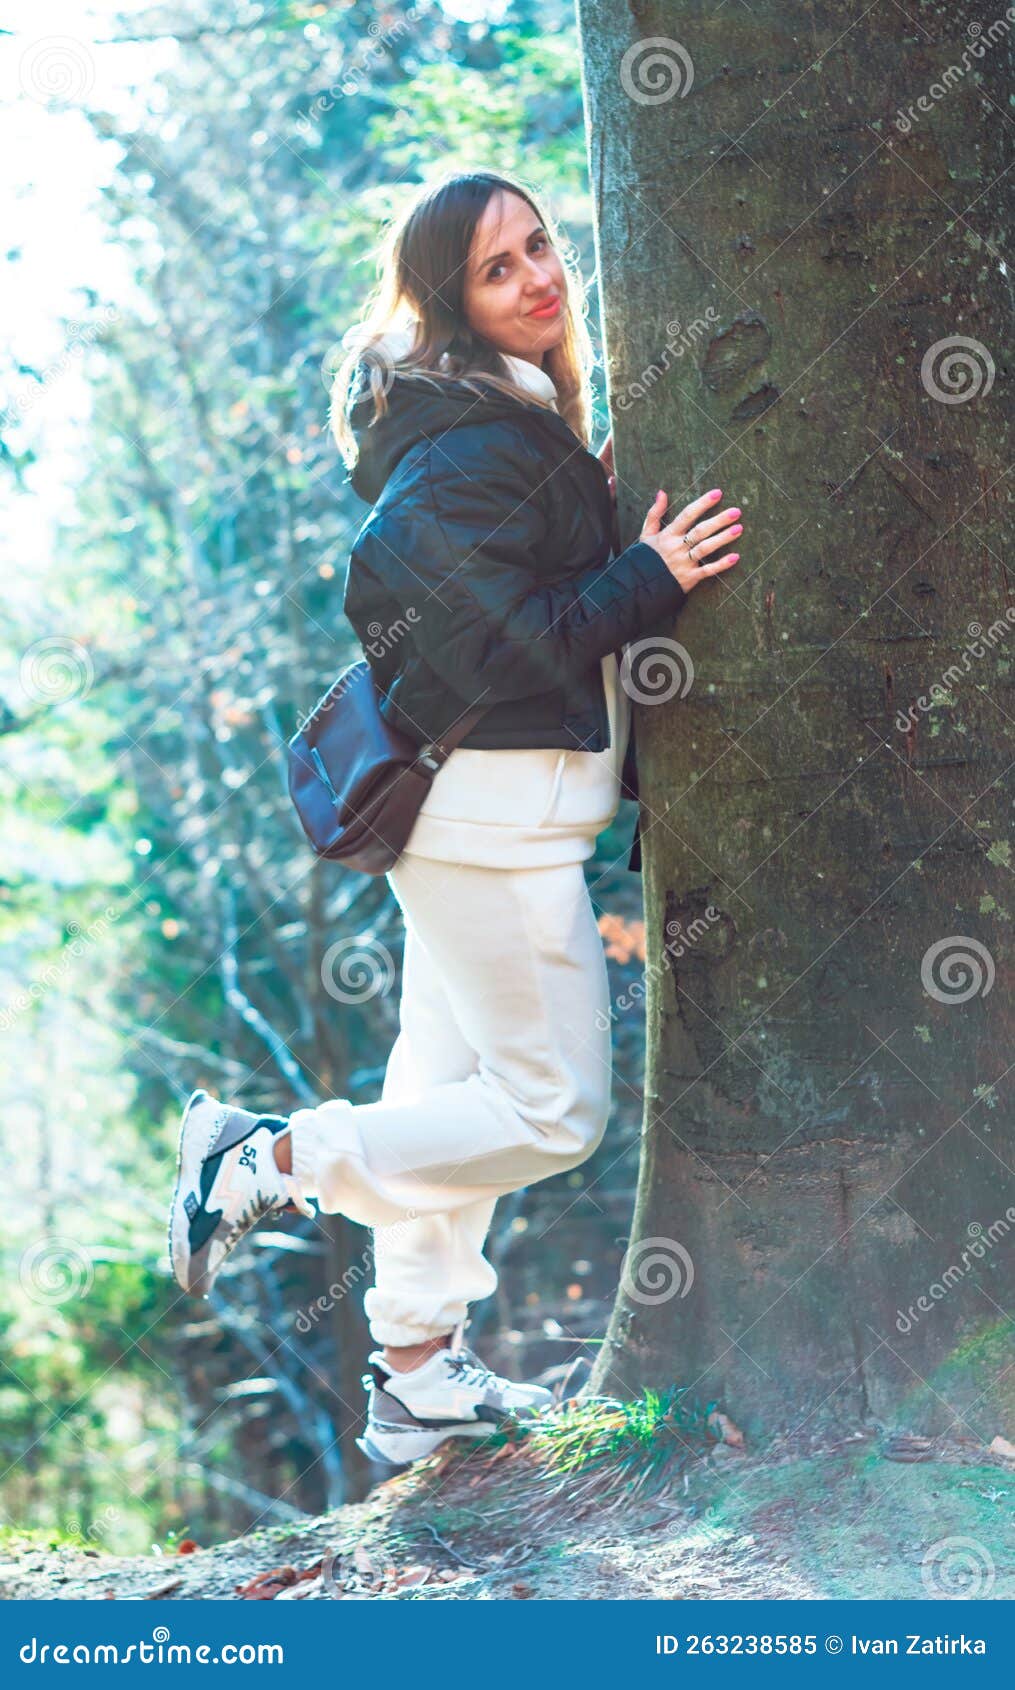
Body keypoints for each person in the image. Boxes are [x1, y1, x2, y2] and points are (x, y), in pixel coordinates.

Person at [167, 170, 743, 1469]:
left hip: (490, 822)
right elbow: (482, 651)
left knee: (442, 1093)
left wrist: (600, 527)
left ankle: (415, 1369)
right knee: (552, 1113)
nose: (541, 277)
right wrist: (644, 578)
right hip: (500, 826)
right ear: (452, 304)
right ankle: (260, 1158)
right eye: (499, 269)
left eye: (541, 246)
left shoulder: (503, 422)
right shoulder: (472, 446)